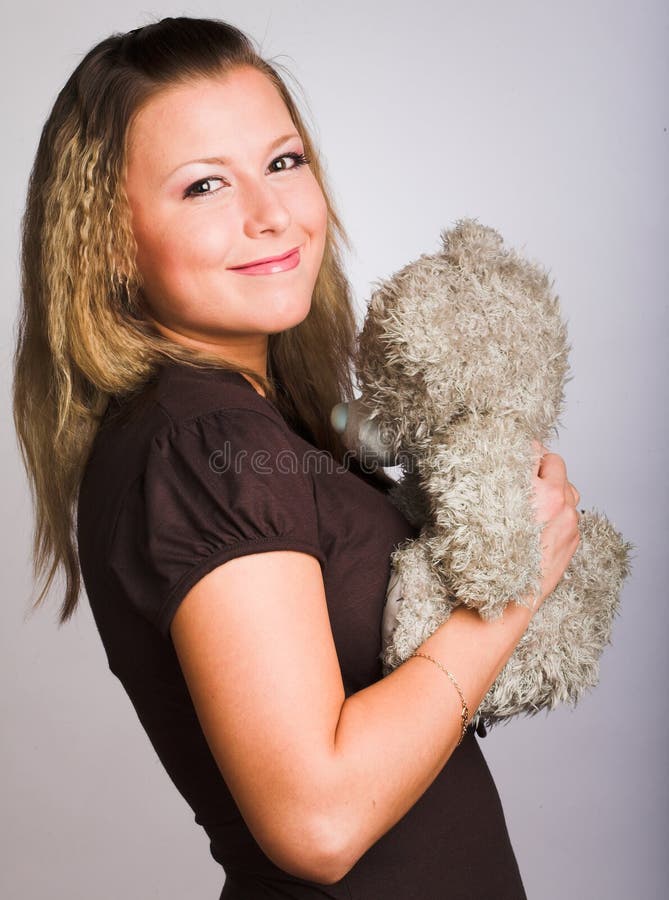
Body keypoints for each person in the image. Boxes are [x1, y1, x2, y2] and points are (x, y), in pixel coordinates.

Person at [12, 16, 581, 899]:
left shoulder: (256, 421)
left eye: (283, 162)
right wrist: (511, 591)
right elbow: (316, 822)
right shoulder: (206, 444)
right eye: (204, 185)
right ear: (111, 241)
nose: (272, 214)